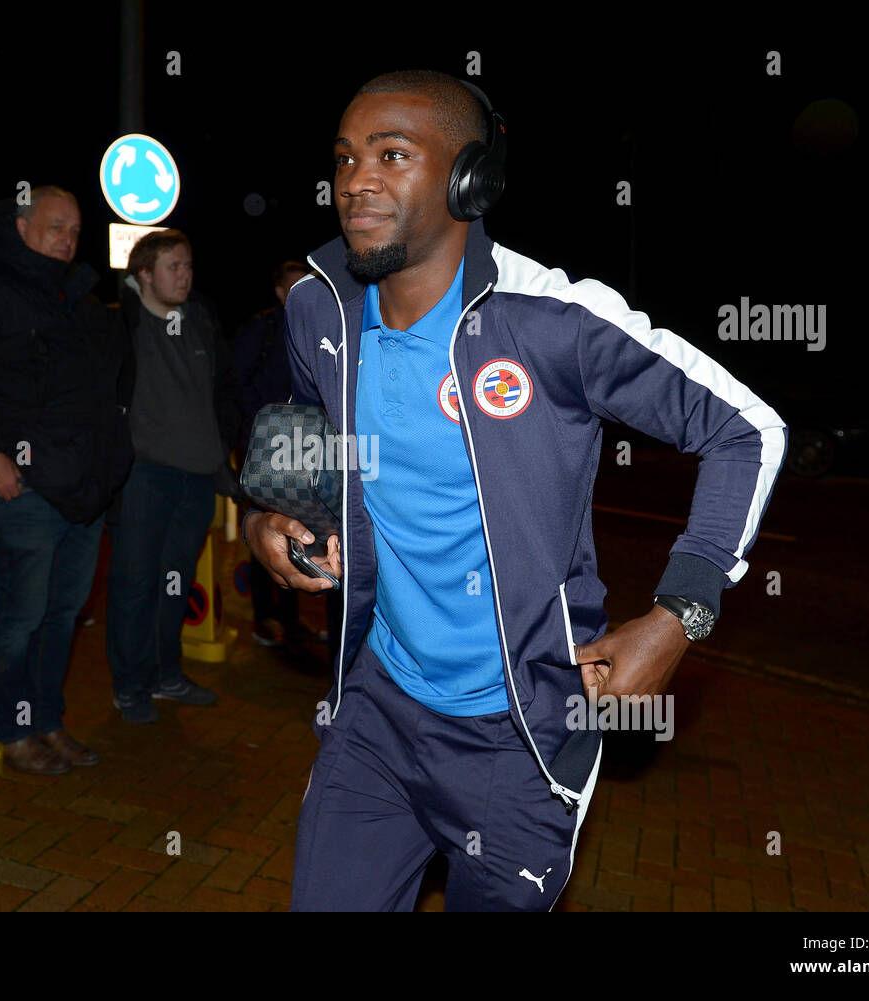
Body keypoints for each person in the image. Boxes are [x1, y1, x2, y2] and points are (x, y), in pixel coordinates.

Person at [243, 70, 788, 911]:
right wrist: (275, 515)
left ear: (471, 180)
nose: (356, 181)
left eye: (392, 154)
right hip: (376, 709)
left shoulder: (553, 321)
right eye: (346, 158)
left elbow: (747, 431)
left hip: (521, 736)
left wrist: (683, 615)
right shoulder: (319, 307)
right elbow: (311, 423)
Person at [0, 188, 133, 775]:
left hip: (84, 492)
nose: (67, 237)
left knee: (62, 616)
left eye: (74, 228)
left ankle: (47, 721)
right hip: (26, 489)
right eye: (54, 226)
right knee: (18, 617)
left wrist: (112, 465)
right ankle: (12, 727)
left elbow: (107, 389)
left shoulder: (81, 300)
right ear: (19, 226)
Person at [106, 229, 241, 724]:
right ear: (144, 273)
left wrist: (221, 445)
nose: (184, 276)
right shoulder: (122, 323)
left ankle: (167, 675)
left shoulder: (199, 321)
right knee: (134, 585)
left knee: (173, 583)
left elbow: (226, 387)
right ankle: (130, 686)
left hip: (198, 478)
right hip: (146, 476)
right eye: (173, 267)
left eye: (188, 267)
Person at [230, 259, 336, 658]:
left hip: (311, 449)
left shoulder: (323, 327)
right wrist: (262, 431)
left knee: (310, 530)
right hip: (269, 450)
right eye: (293, 287)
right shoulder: (262, 328)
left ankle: (294, 620)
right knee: (267, 532)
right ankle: (266, 619)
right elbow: (233, 384)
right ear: (278, 291)